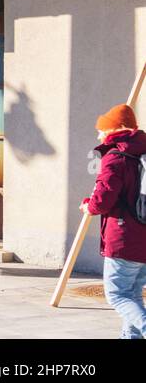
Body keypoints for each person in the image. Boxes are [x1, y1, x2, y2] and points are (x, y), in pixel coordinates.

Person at [81, 102, 146, 339]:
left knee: (118, 295)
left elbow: (103, 201)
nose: (99, 133)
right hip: (143, 236)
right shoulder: (142, 152)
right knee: (133, 294)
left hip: (124, 238)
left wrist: (89, 204)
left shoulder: (115, 157)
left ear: (112, 130)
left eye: (101, 129)